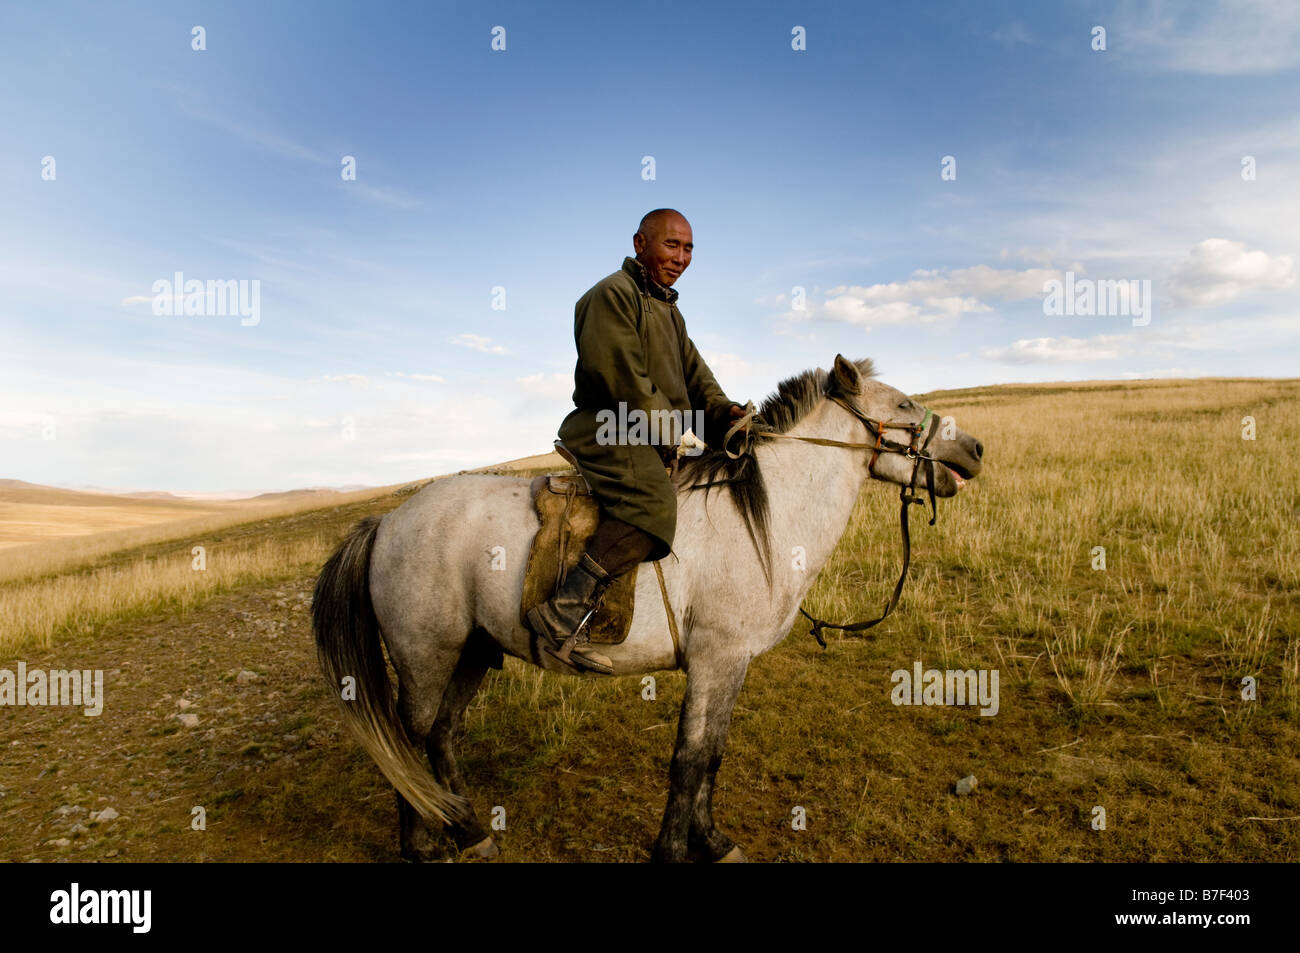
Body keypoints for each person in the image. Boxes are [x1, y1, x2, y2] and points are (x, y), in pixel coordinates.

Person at [527, 209, 746, 674]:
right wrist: (678, 438)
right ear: (640, 243)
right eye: (671, 245)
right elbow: (624, 381)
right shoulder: (611, 295)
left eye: (688, 249)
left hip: (644, 424)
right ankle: (564, 611)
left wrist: (725, 412)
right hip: (609, 422)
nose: (681, 257)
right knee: (652, 502)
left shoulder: (670, 310)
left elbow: (696, 377)